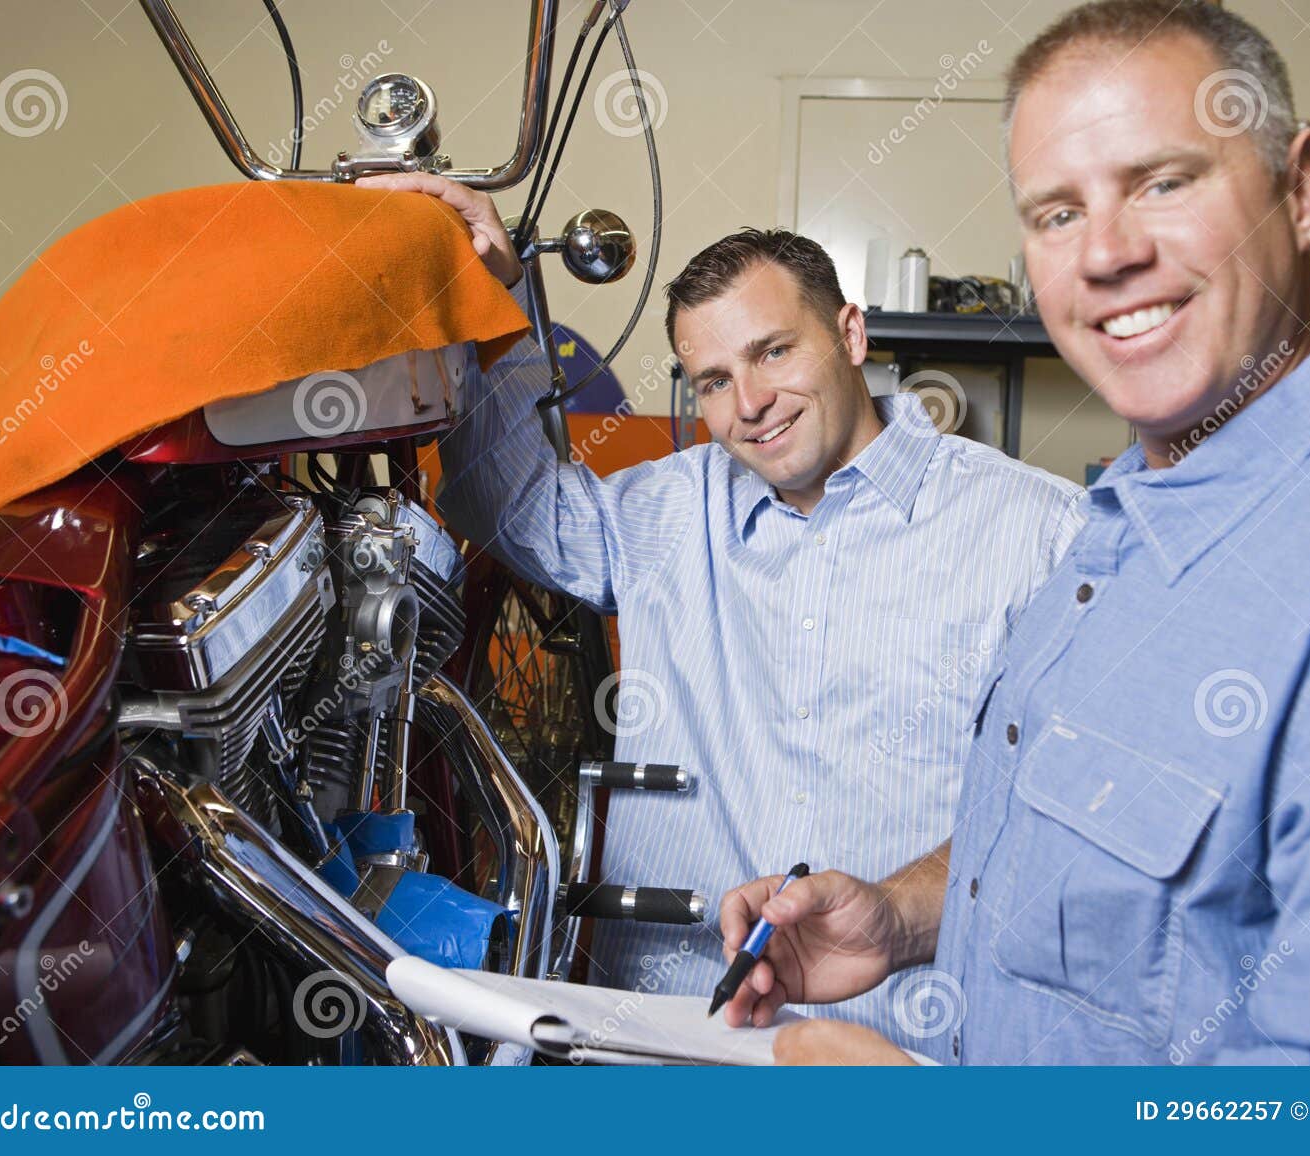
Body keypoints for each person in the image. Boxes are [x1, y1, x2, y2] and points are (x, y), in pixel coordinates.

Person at [718, 0, 1310, 1065]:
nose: (1107, 254)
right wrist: (901, 918)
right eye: (1055, 214)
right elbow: (1136, 901)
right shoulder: (1119, 521)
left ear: (1302, 190)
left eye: (1163, 182)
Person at [350, 175, 1085, 1048]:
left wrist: (901, 914)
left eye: (775, 352)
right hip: (671, 1037)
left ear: (850, 333)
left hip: (902, 1047)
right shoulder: (665, 511)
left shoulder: (1036, 531)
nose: (749, 405)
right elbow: (497, 500)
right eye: (712, 380)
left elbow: (1070, 816)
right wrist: (499, 294)